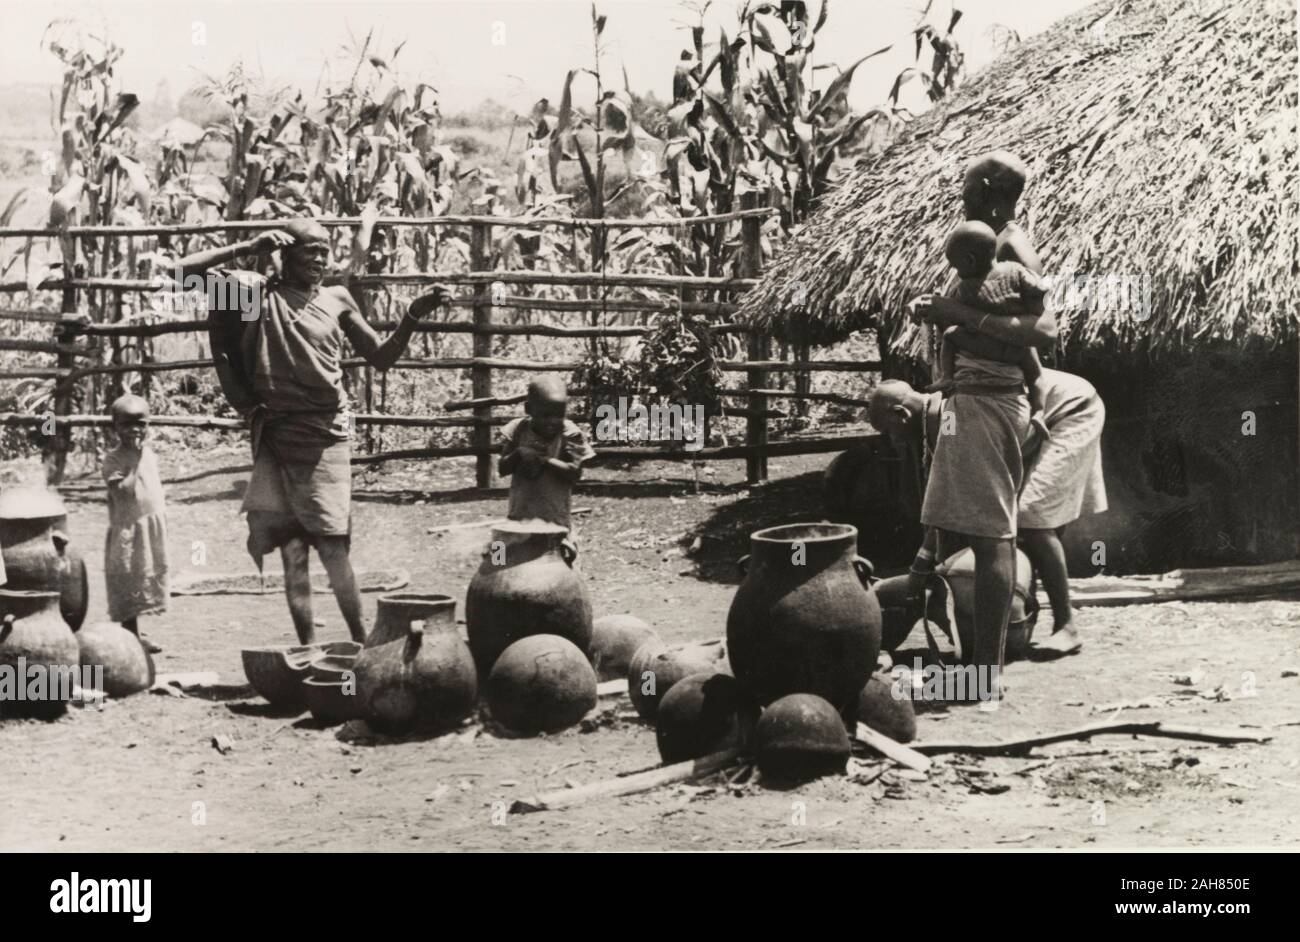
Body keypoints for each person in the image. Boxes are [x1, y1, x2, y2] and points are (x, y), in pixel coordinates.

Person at [171, 218, 445, 645]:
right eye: (309, 250)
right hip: (279, 438)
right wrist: (247, 244)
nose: (319, 258)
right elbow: (183, 273)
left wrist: (412, 316)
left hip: (326, 437)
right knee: (293, 553)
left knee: (334, 548)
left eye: (324, 250)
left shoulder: (337, 299)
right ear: (285, 254)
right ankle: (308, 651)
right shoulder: (253, 297)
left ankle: (360, 643)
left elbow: (382, 357)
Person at [906, 151, 1057, 702]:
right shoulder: (983, 244)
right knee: (981, 529)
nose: (960, 191)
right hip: (977, 403)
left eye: (967, 183)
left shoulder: (1013, 246)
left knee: (993, 537)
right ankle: (979, 665)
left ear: (989, 188)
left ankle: (985, 676)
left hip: (991, 406)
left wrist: (958, 316)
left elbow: (1045, 331)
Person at [866, 370, 1106, 658]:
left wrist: (921, 569)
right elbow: (952, 499)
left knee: (1032, 518)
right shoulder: (941, 417)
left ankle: (1067, 626)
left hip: (1068, 407)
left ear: (901, 414)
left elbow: (951, 498)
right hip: (1035, 418)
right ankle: (1031, 607)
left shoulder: (950, 420)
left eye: (889, 432)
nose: (893, 441)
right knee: (1020, 517)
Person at [932, 221, 1051, 445]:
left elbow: (951, 317)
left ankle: (944, 376)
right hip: (1017, 351)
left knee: (949, 335)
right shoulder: (1016, 271)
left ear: (969, 261)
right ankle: (1039, 412)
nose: (957, 273)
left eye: (957, 266)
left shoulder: (966, 288)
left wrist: (938, 308)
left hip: (986, 353)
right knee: (1036, 375)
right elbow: (1038, 288)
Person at [103, 393, 168, 654]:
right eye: (126, 425)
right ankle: (129, 636)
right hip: (128, 529)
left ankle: (136, 635)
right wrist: (132, 459)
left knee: (145, 577)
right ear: (115, 427)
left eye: (140, 424)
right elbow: (123, 492)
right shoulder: (114, 459)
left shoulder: (149, 454)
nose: (134, 430)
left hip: (150, 528)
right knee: (129, 579)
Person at [498, 376, 595, 532]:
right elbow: (502, 469)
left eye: (559, 415)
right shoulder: (518, 429)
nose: (552, 421)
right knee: (499, 548)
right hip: (519, 516)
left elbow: (575, 473)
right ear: (528, 409)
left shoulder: (569, 433)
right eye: (545, 415)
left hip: (555, 521)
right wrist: (519, 453)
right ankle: (488, 555)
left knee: (555, 555)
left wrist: (544, 460)